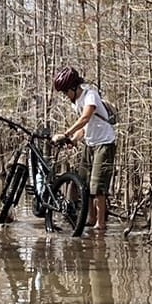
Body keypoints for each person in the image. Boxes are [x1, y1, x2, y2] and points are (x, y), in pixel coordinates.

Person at [51, 67, 116, 237]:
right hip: (90, 144)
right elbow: (85, 128)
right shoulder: (76, 104)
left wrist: (65, 134)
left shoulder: (90, 95)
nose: (66, 95)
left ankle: (100, 225)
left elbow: (85, 118)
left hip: (104, 143)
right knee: (85, 184)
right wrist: (73, 140)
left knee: (98, 187)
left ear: (73, 87)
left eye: (66, 91)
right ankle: (90, 218)